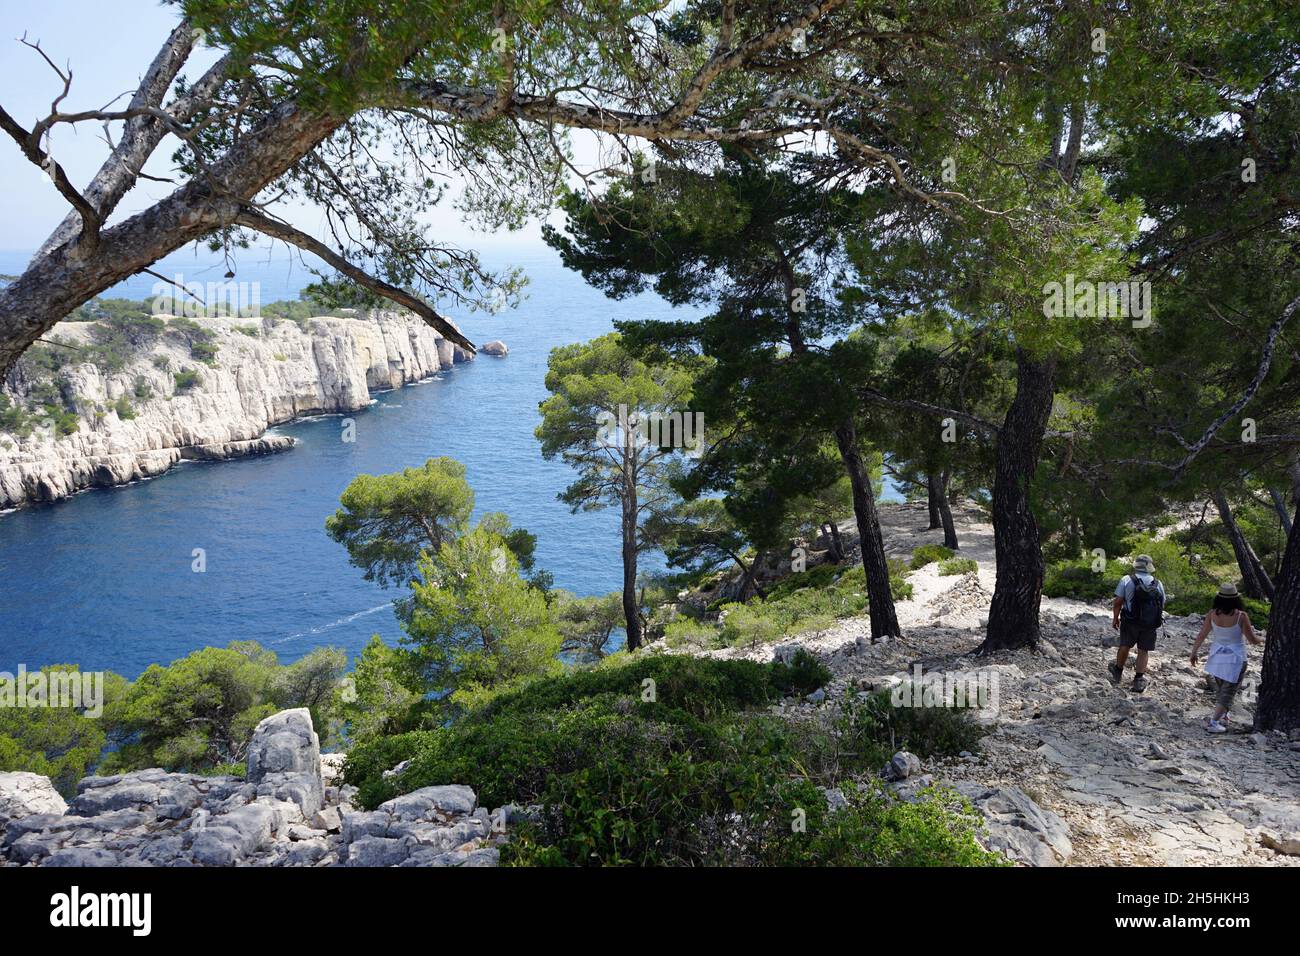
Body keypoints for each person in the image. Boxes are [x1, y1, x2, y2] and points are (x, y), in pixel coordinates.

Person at [1190, 583, 1264, 734]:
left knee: (1222, 688)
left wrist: (1194, 651)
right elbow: (1252, 640)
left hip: (1217, 656)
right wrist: (1264, 638)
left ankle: (1224, 715)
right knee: (1229, 692)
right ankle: (1214, 722)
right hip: (1236, 657)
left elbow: (1202, 634)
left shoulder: (1212, 614)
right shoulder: (1240, 616)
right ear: (1236, 599)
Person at [1108, 554, 1165, 693]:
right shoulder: (1158, 583)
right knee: (1143, 650)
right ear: (1149, 567)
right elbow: (1162, 603)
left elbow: (1118, 602)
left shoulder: (1127, 580)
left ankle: (1118, 671)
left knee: (1125, 645)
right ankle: (1139, 679)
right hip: (1150, 623)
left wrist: (1115, 618)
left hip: (1130, 620)